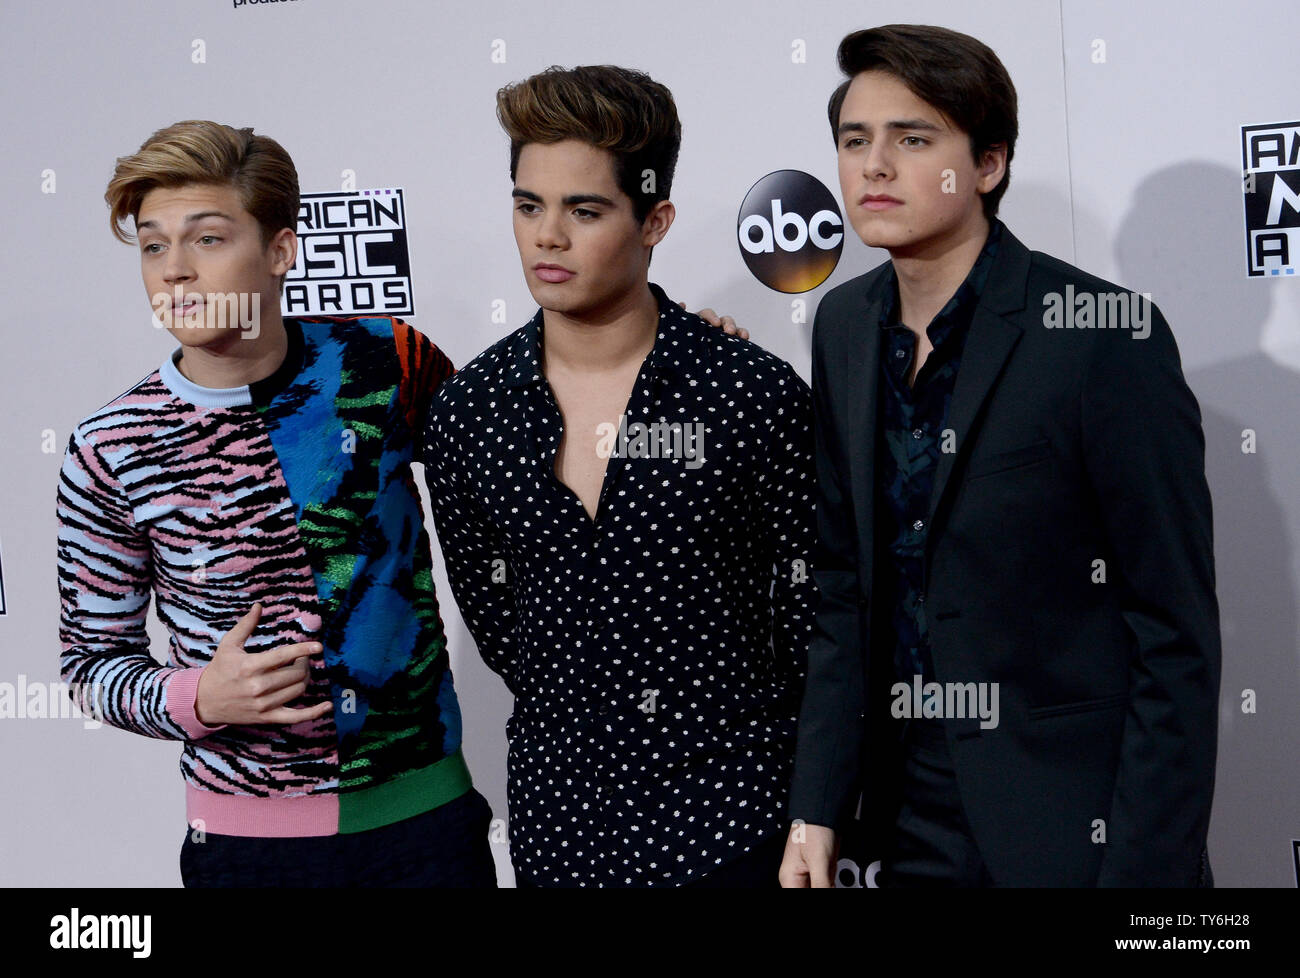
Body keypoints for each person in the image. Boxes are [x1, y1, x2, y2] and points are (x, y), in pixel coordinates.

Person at [776, 25, 1220, 887]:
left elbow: (1175, 635)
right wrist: (817, 804)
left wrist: (1143, 880)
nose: (873, 166)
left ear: (987, 164)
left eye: (912, 139)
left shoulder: (1098, 334)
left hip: (1071, 827)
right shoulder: (842, 327)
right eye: (854, 140)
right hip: (900, 821)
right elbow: (843, 589)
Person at [56, 120, 496, 886]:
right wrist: (199, 695)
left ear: (281, 252)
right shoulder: (111, 444)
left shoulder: (384, 357)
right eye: (154, 246)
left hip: (426, 822)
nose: (175, 273)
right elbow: (90, 664)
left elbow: (514, 441)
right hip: (246, 849)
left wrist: (671, 348)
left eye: (208, 239)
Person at [423, 65, 817, 887]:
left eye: (585, 210)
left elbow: (815, 620)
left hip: (738, 827)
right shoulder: (469, 412)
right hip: (559, 831)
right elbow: (500, 623)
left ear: (654, 220)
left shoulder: (749, 393)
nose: (547, 237)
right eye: (528, 205)